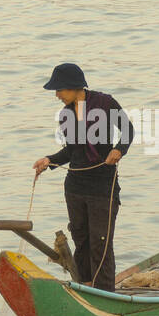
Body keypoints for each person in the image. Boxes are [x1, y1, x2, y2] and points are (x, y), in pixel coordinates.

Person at [32, 63, 134, 292]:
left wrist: (119, 150)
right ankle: (87, 288)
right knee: (82, 242)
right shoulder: (66, 114)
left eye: (59, 90)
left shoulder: (105, 103)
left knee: (101, 244)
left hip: (102, 186)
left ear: (74, 87)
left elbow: (128, 129)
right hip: (75, 187)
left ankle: (106, 293)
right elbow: (72, 151)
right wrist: (49, 160)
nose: (57, 95)